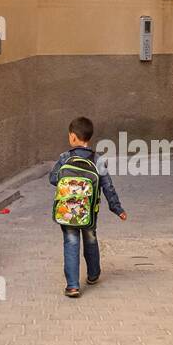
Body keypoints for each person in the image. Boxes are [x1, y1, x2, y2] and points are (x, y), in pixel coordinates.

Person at [48, 116, 127, 298]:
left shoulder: (64, 158)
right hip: (89, 212)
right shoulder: (98, 160)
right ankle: (93, 275)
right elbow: (108, 186)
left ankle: (73, 286)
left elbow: (53, 179)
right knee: (90, 239)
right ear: (88, 138)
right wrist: (117, 209)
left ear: (73, 137)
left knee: (71, 241)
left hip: (67, 212)